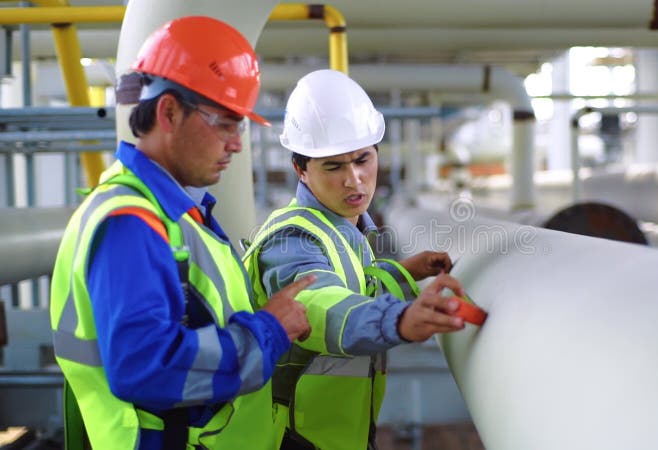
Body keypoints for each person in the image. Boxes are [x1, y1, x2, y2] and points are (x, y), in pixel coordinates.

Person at [49, 16, 311, 450]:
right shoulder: (130, 224)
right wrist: (269, 330)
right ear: (169, 111)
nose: (236, 144)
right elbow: (147, 367)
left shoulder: (179, 216)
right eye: (225, 123)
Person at [242, 69, 468, 450]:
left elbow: (356, 287)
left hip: (329, 432)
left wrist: (403, 273)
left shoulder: (343, 229)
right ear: (301, 169)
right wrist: (399, 320)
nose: (355, 179)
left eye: (363, 159)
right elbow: (323, 308)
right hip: (292, 437)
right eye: (333, 166)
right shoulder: (293, 238)